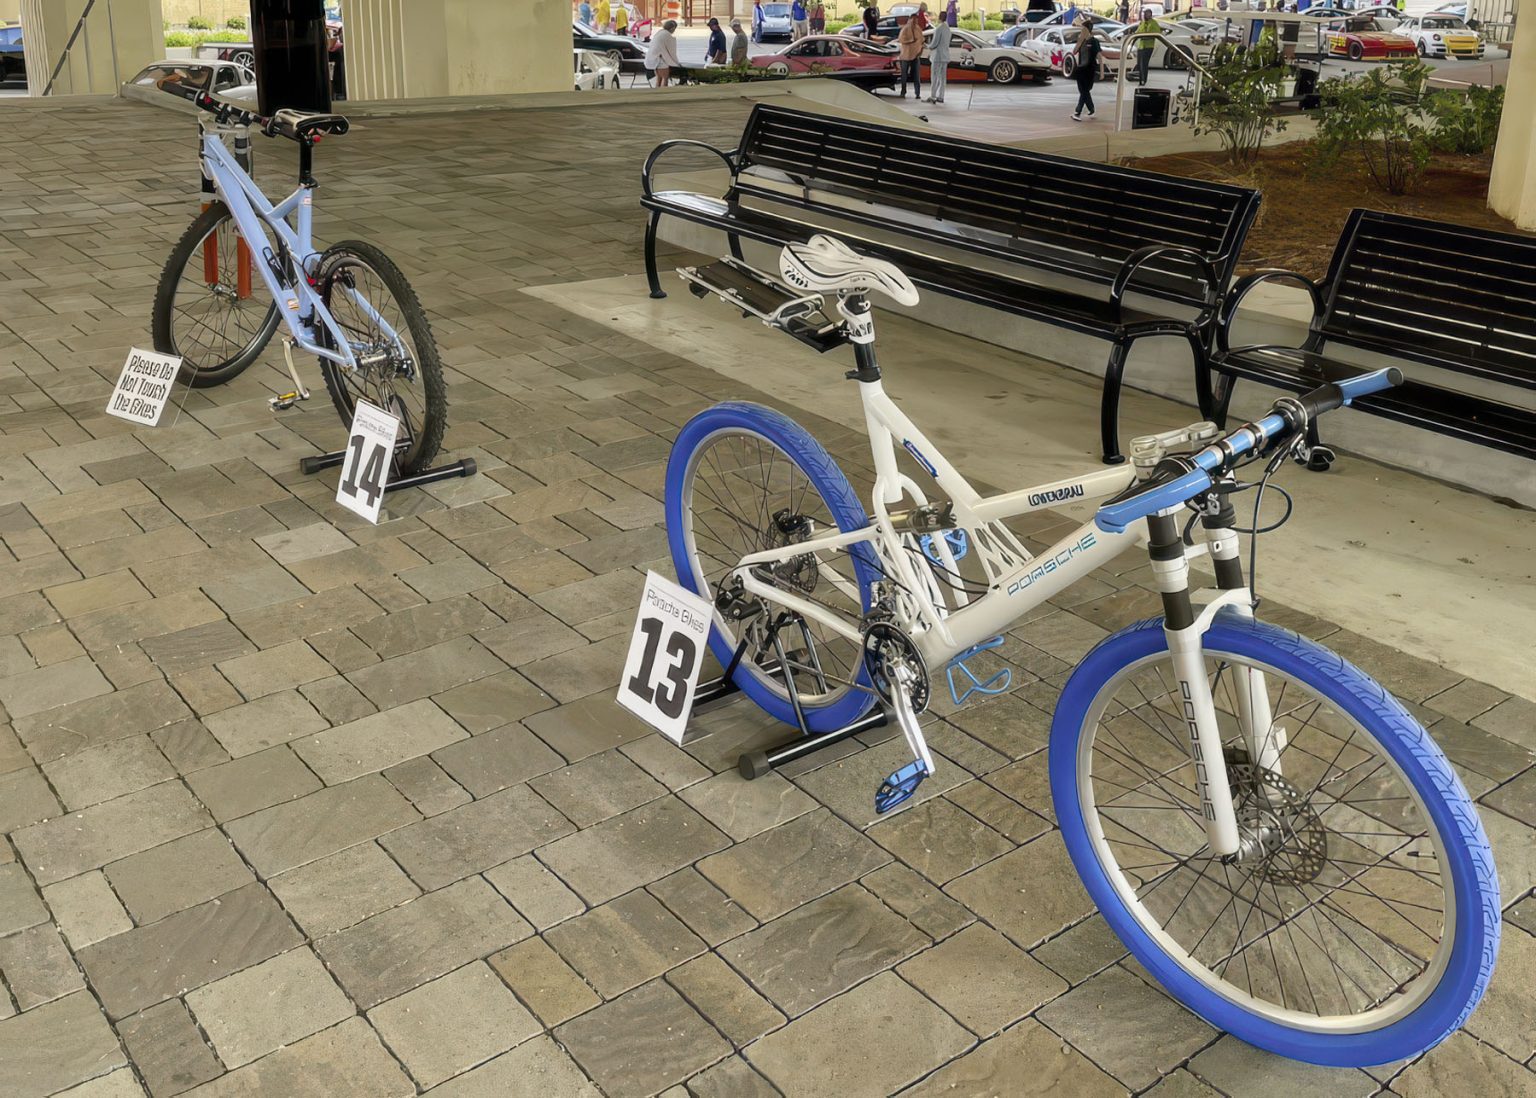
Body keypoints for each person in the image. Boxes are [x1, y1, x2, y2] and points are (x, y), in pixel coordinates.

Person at [1071, 23, 1099, 120]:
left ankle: (1077, 112)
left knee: (1084, 91)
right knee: (1083, 91)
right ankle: (1091, 109)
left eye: (1084, 29)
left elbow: (1099, 56)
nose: (1082, 31)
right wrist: (1080, 41)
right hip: (1080, 69)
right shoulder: (1082, 41)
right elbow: (1074, 51)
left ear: (1088, 30)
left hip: (1089, 69)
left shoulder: (1094, 41)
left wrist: (1102, 72)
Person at [896, 14, 923, 97]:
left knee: (916, 75)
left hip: (915, 56)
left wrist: (920, 50)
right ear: (910, 19)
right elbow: (901, 39)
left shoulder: (918, 29)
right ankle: (903, 92)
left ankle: (917, 93)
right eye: (913, 20)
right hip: (905, 56)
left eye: (916, 20)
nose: (915, 22)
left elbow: (921, 40)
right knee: (904, 75)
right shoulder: (905, 29)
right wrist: (911, 40)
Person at [648, 18, 680, 85]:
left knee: (659, 79)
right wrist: (676, 62)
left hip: (653, 59)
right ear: (672, 28)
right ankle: (664, 92)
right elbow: (671, 51)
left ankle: (657, 93)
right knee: (665, 78)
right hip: (661, 60)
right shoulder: (667, 35)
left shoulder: (659, 33)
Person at [927, 21, 951, 103]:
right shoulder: (948, 29)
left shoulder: (939, 28)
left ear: (940, 18)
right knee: (943, 78)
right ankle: (941, 96)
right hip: (945, 56)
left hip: (937, 56)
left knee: (934, 77)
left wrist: (927, 46)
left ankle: (933, 96)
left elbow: (935, 43)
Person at [1135, 9, 1156, 84]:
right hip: (1141, 46)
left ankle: (1144, 80)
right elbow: (1137, 32)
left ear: (1150, 14)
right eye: (1144, 14)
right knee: (1139, 63)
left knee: (1144, 63)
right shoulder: (1142, 23)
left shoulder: (1153, 23)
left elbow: (1156, 34)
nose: (1144, 15)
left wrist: (1146, 36)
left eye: (1146, 14)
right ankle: (1141, 80)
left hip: (1148, 46)